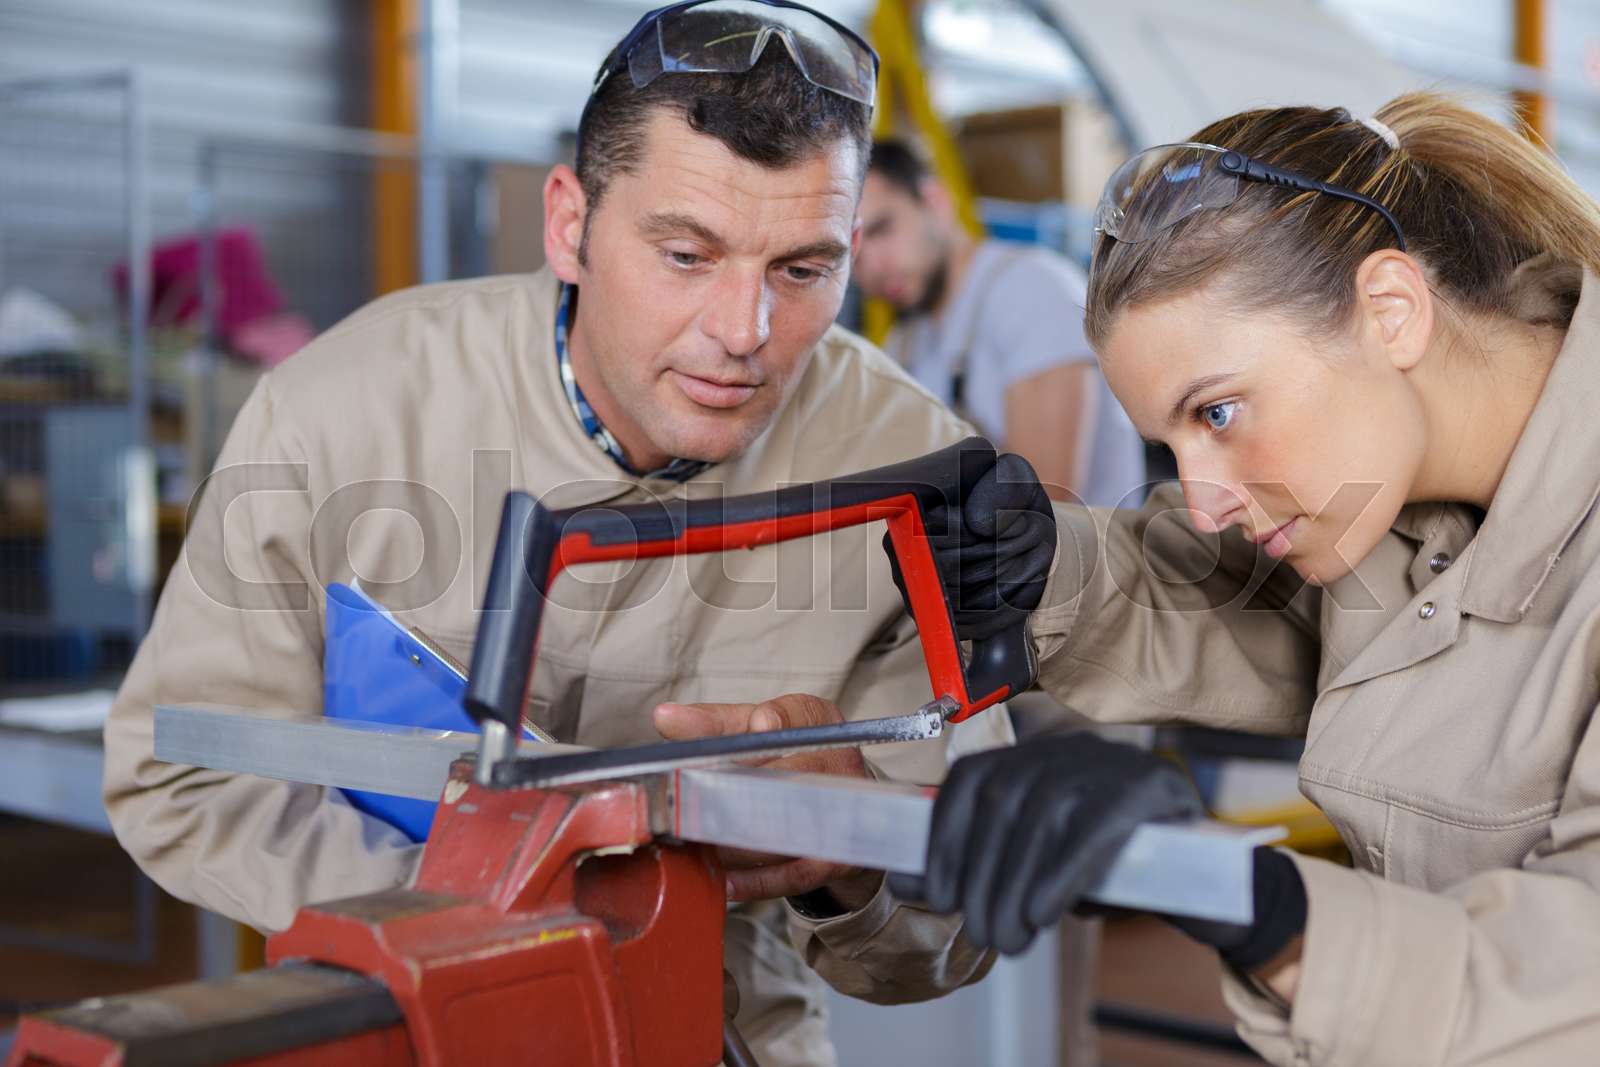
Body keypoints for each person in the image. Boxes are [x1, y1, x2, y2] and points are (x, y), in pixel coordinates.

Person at [102, 5, 1000, 1064]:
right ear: (570, 223)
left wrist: (853, 852)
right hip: (390, 1023)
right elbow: (177, 769)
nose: (743, 332)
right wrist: (503, 923)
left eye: (800, 271)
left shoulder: (921, 479)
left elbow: (951, 933)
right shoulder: (342, 408)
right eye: (685, 253)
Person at [884, 91, 1600, 1065]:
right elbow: (1245, 605)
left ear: (1390, 312)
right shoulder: (1402, 499)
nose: (1204, 497)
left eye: (1216, 414)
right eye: (1169, 441)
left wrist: (1253, 903)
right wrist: (1045, 566)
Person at [852, 138, 1145, 506]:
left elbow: (1042, 511)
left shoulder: (1030, 288)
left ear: (935, 202)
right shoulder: (905, 341)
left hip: (1085, 560)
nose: (872, 267)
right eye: (854, 255)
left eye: (882, 230)